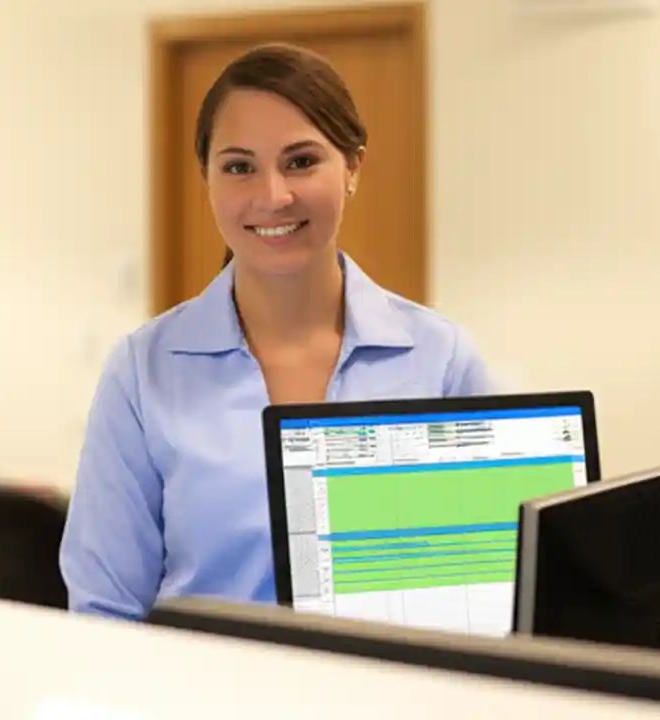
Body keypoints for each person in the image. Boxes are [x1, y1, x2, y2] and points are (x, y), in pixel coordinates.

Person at [58, 43, 494, 620]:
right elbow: (104, 610)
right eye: (239, 167)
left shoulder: (442, 361)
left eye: (301, 161)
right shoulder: (144, 371)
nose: (273, 196)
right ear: (207, 179)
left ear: (354, 167)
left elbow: (491, 594)